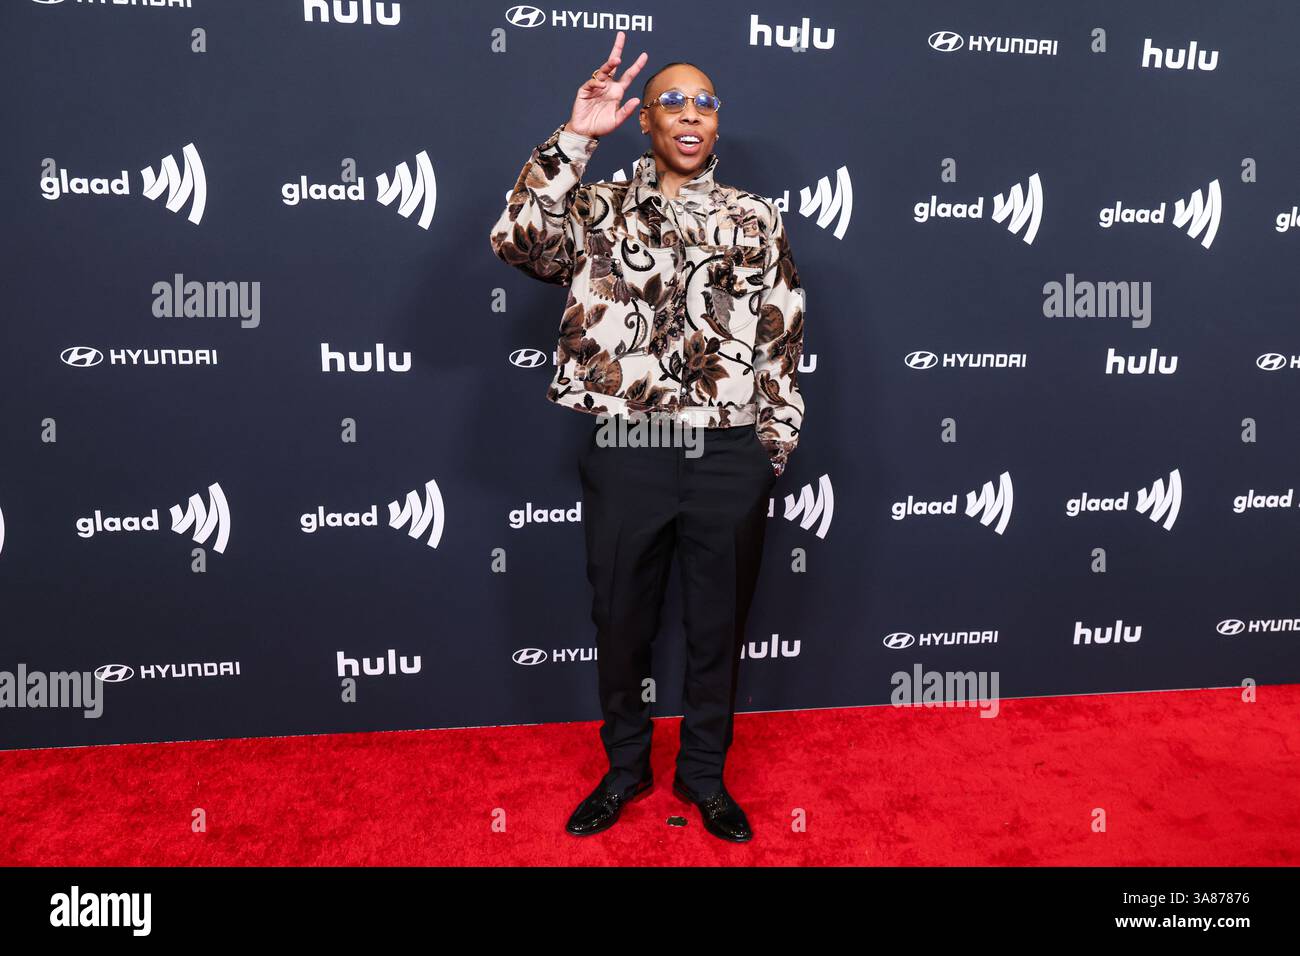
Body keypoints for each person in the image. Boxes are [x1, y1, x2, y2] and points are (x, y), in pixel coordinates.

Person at [489, 31, 806, 842]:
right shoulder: (597, 208)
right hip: (629, 446)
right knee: (621, 619)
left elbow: (782, 336)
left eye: (706, 102)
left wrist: (769, 444)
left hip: (728, 451)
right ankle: (626, 768)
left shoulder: (755, 217)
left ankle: (704, 775)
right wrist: (574, 138)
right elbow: (520, 241)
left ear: (717, 123)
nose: (692, 113)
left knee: (717, 626)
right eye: (673, 100)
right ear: (646, 123)